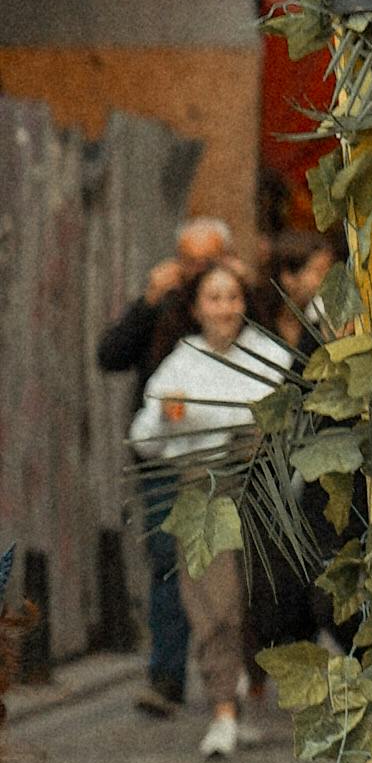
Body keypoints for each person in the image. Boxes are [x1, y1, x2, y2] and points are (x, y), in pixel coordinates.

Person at [129, 260, 293, 763]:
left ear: (245, 304)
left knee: (259, 601)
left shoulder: (270, 356)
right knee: (212, 602)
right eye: (214, 298)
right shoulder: (180, 363)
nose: (225, 308)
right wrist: (166, 415)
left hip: (261, 493)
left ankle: (248, 685)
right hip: (200, 492)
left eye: (233, 297)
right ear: (197, 309)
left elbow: (287, 424)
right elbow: (143, 439)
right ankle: (222, 708)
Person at [98, 219, 234, 715]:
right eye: (189, 260)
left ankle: (234, 674)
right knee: (167, 562)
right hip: (161, 458)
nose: (197, 271)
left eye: (208, 261)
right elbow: (110, 356)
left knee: (229, 567)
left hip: (225, 458)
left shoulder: (233, 300)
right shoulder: (164, 306)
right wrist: (147, 301)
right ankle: (167, 676)